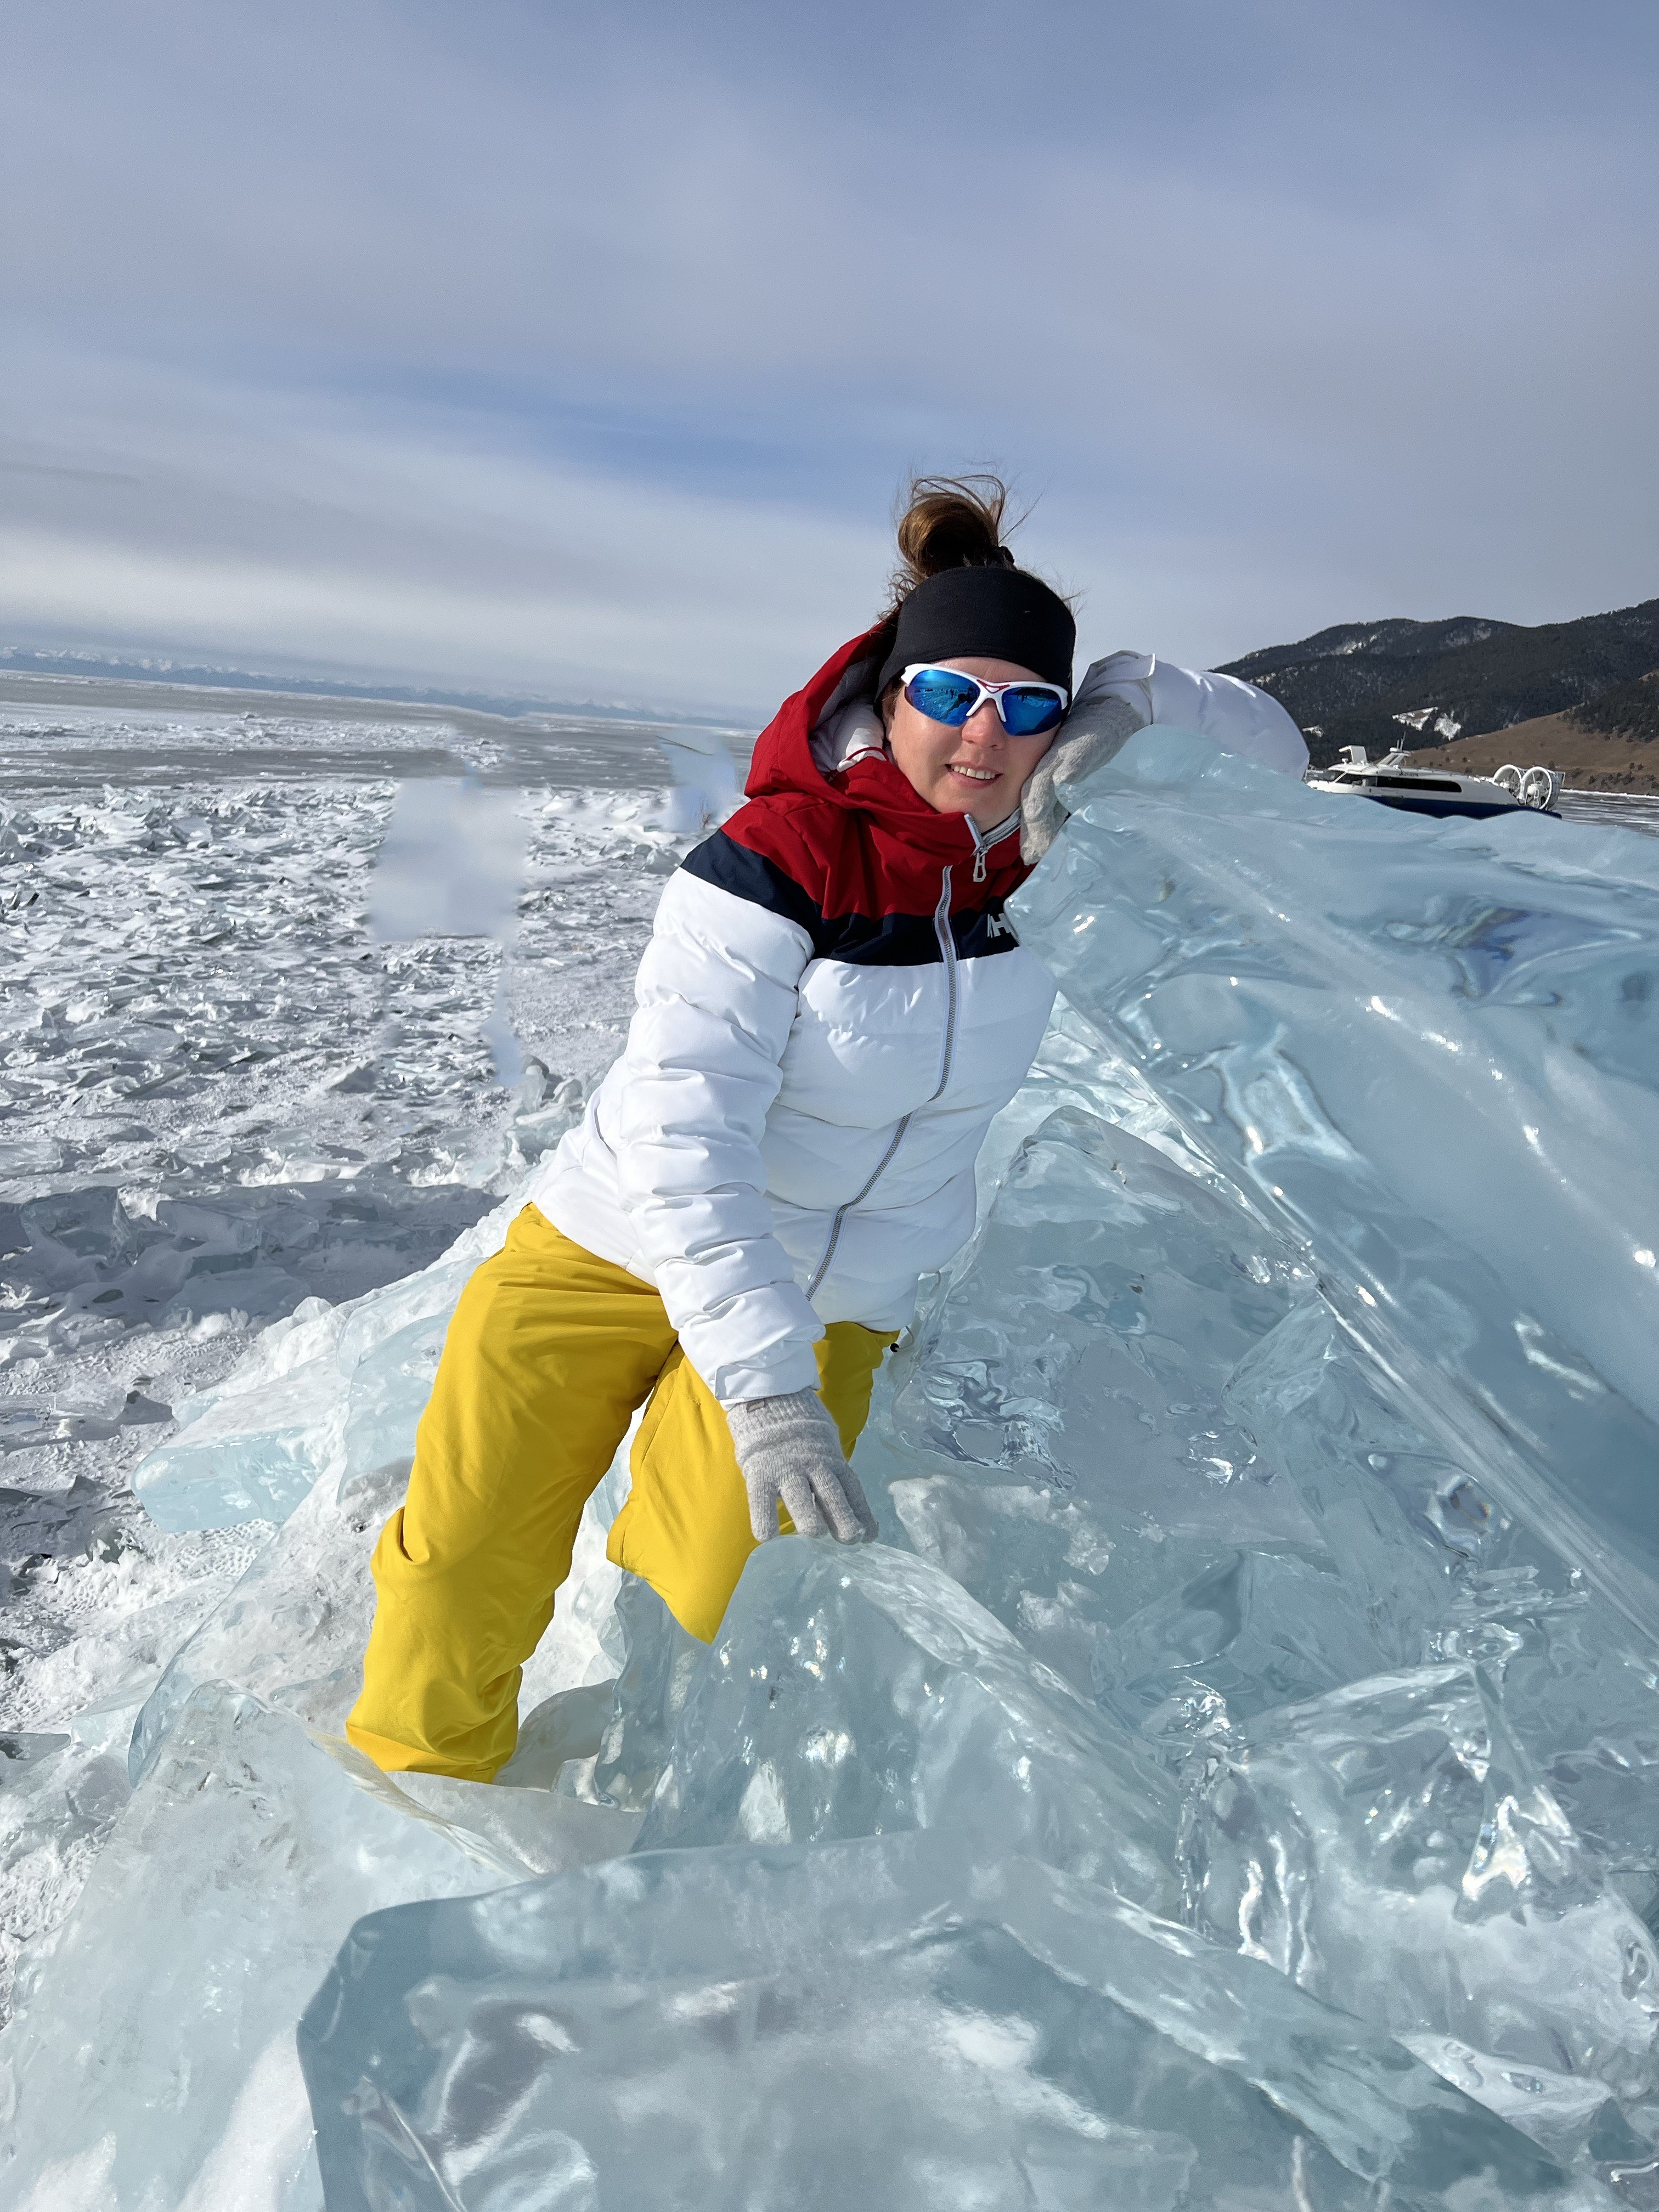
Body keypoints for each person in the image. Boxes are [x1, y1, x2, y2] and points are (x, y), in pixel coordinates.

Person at [345, 476, 1306, 1783]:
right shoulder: (783, 850)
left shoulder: (1039, 858)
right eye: (952, 696)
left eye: (1026, 706)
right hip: (617, 1243)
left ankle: (640, 1841)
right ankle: (417, 1793)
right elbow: (689, 1131)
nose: (985, 735)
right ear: (891, 693)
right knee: (464, 1561)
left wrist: (1136, 697)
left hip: (839, 1288)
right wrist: (765, 1384)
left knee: (717, 1601)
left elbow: (1286, 758)